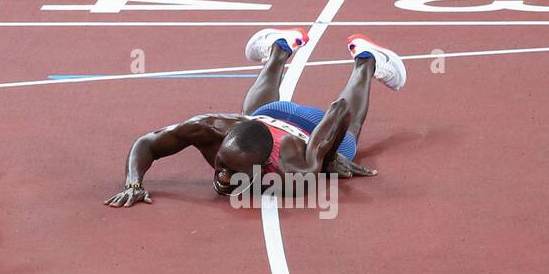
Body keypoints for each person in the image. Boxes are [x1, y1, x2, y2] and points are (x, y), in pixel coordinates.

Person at [105, 28, 405, 206]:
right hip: (268, 117)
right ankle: (280, 45)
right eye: (222, 162)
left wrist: (327, 156)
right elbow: (148, 142)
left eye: (233, 170)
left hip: (309, 129)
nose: (221, 174)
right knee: (253, 113)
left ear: (262, 168)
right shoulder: (211, 130)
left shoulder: (294, 172)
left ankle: (366, 59)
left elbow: (340, 110)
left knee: (348, 137)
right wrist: (134, 182)